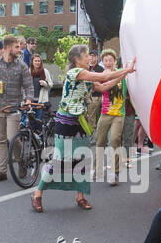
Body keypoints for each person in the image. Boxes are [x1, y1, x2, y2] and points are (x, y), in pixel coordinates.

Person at [31, 45, 136, 213]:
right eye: (86, 56)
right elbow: (104, 76)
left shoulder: (86, 77)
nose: (90, 58)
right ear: (77, 59)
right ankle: (37, 194)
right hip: (65, 122)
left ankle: (80, 196)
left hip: (80, 122)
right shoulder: (75, 73)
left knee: (82, 159)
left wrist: (124, 74)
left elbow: (103, 86)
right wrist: (126, 69)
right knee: (59, 160)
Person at [0, 35, 34, 183]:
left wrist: (28, 100)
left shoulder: (22, 66)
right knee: (0, 140)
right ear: (7, 48)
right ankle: (2, 172)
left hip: (14, 108)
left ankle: (20, 161)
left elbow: (29, 86)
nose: (20, 50)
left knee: (12, 138)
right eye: (16, 47)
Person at [94, 48, 126, 186]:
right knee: (100, 141)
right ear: (102, 62)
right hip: (105, 113)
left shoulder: (121, 73)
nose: (108, 62)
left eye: (110, 60)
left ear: (115, 61)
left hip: (118, 114)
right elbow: (98, 88)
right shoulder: (101, 76)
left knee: (114, 140)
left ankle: (114, 172)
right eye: (105, 60)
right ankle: (96, 168)